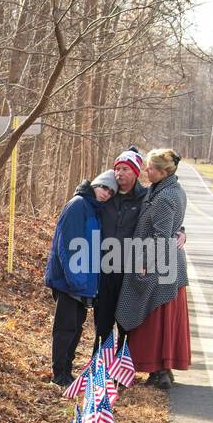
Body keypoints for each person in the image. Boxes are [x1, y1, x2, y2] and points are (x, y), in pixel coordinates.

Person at [96, 146, 187, 351]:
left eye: (126, 169)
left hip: (134, 266)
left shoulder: (147, 196)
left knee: (131, 317)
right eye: (117, 168)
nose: (120, 173)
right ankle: (99, 364)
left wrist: (180, 231)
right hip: (108, 265)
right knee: (103, 322)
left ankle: (123, 364)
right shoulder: (106, 194)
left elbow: (163, 228)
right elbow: (86, 196)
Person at [115, 148, 191, 388]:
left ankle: (158, 370)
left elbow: (160, 236)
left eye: (150, 168)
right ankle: (162, 370)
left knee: (153, 317)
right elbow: (173, 228)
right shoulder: (168, 189)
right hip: (167, 263)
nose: (146, 172)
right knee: (158, 318)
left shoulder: (165, 197)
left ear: (163, 171)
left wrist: (145, 264)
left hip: (160, 267)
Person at [45, 171, 115, 386]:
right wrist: (75, 280)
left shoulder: (93, 209)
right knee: (65, 329)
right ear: (95, 185)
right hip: (69, 281)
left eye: (111, 192)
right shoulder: (78, 205)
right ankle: (59, 375)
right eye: (104, 188)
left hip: (83, 283)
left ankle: (67, 371)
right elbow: (67, 245)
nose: (106, 194)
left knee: (75, 329)